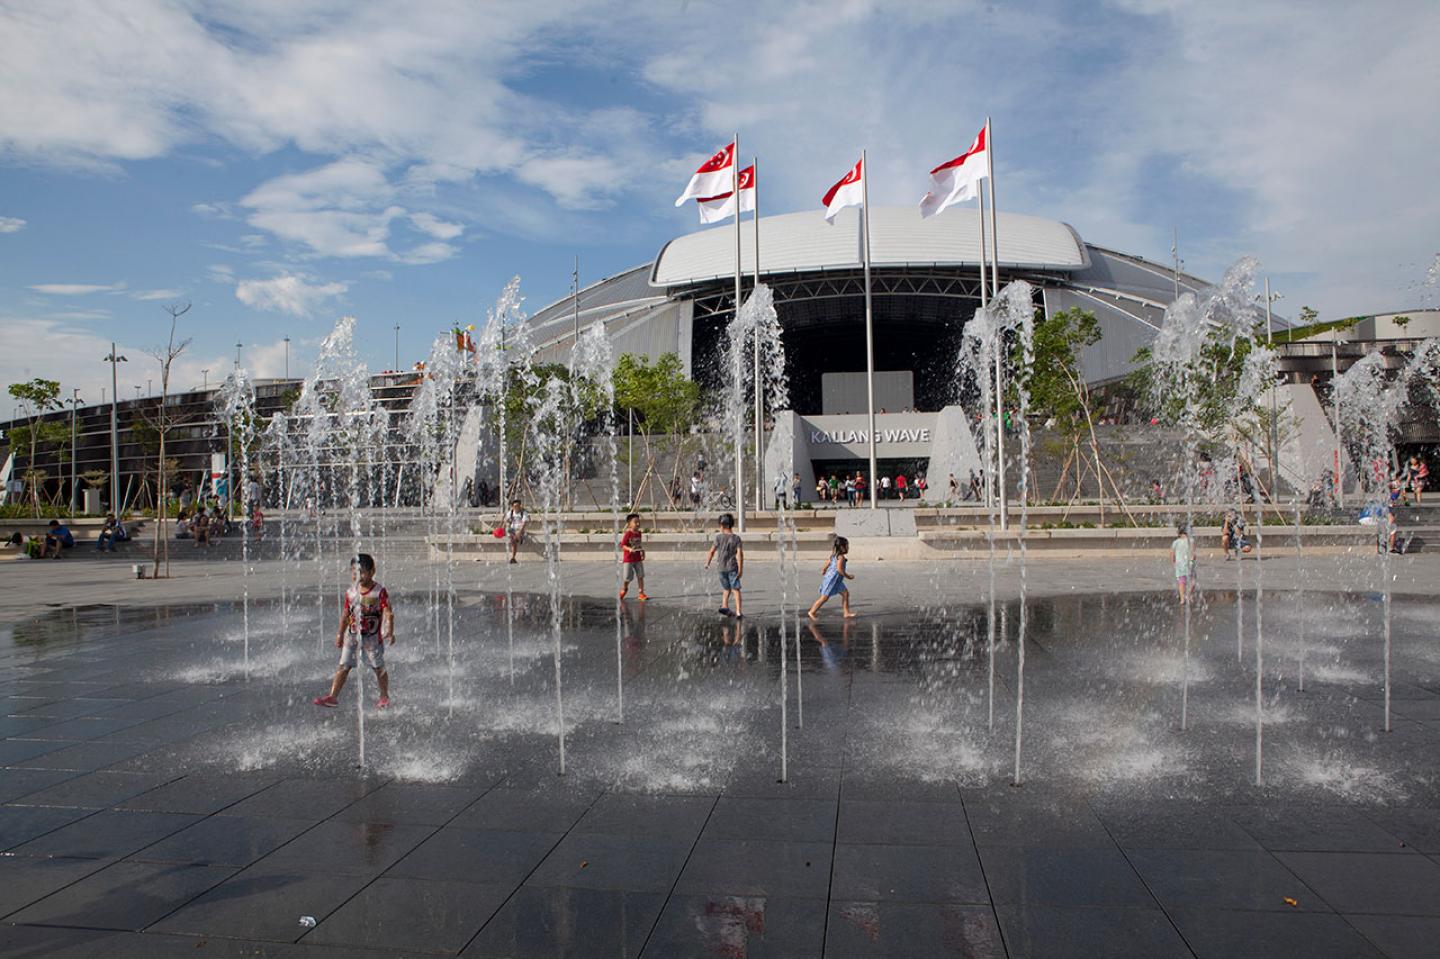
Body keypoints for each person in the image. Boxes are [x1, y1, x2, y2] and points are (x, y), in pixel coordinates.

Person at [314, 553, 395, 709]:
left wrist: (389, 630)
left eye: (362, 572)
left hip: (372, 638)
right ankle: (333, 696)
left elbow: (388, 612)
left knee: (378, 667)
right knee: (343, 665)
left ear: (372, 572)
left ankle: (384, 696)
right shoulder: (350, 592)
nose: (358, 576)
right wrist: (340, 633)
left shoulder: (379, 591)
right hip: (351, 637)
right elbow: (346, 614)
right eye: (354, 572)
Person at [704, 512, 744, 618]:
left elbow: (711, 551)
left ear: (721, 525)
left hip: (721, 568)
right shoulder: (736, 538)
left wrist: (707, 563)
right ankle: (738, 611)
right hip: (732, 568)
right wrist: (740, 569)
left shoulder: (718, 538)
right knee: (735, 589)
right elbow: (739, 554)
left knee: (726, 588)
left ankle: (725, 606)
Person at [808, 535, 856, 619]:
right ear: (842, 547)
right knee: (824, 597)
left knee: (845, 594)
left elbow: (828, 562)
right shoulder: (840, 557)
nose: (848, 548)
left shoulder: (834, 555)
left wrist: (824, 569)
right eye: (847, 546)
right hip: (832, 580)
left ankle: (846, 612)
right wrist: (848, 576)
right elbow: (840, 570)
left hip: (837, 581)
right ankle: (812, 612)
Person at [619, 512, 649, 601]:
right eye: (635, 522)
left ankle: (641, 593)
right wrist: (629, 549)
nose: (638, 523)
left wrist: (642, 551)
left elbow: (638, 544)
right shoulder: (628, 534)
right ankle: (624, 588)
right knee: (627, 577)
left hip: (637, 558)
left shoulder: (639, 533)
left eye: (639, 522)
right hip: (628, 559)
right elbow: (622, 545)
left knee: (640, 575)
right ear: (629, 524)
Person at [1170, 525, 1195, 605]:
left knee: (1183, 582)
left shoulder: (1177, 542)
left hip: (1182, 565)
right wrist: (1193, 559)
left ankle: (1184, 598)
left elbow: (1172, 554)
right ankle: (1186, 596)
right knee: (1190, 582)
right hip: (1185, 565)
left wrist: (1174, 563)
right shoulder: (1189, 541)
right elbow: (1193, 553)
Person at [505, 499, 528, 564]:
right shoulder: (510, 512)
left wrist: (519, 532)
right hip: (512, 530)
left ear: (520, 506)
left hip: (520, 530)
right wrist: (507, 522)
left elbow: (524, 524)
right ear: (512, 507)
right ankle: (517, 540)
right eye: (515, 506)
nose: (516, 507)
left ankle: (513, 557)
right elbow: (507, 521)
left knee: (514, 540)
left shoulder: (523, 513)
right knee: (511, 534)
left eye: (518, 506)